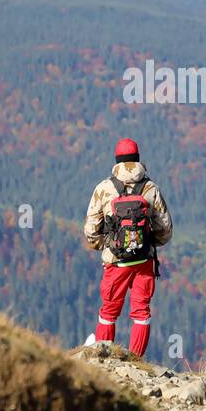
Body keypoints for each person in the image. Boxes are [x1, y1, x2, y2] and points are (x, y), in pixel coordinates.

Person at [82, 137, 173, 356]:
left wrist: (106, 246)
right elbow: (165, 229)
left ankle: (103, 360)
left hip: (116, 262)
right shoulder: (151, 188)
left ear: (117, 161)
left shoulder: (104, 189)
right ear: (138, 159)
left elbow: (91, 230)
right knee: (141, 312)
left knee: (109, 312)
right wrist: (148, 244)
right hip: (144, 260)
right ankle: (136, 361)